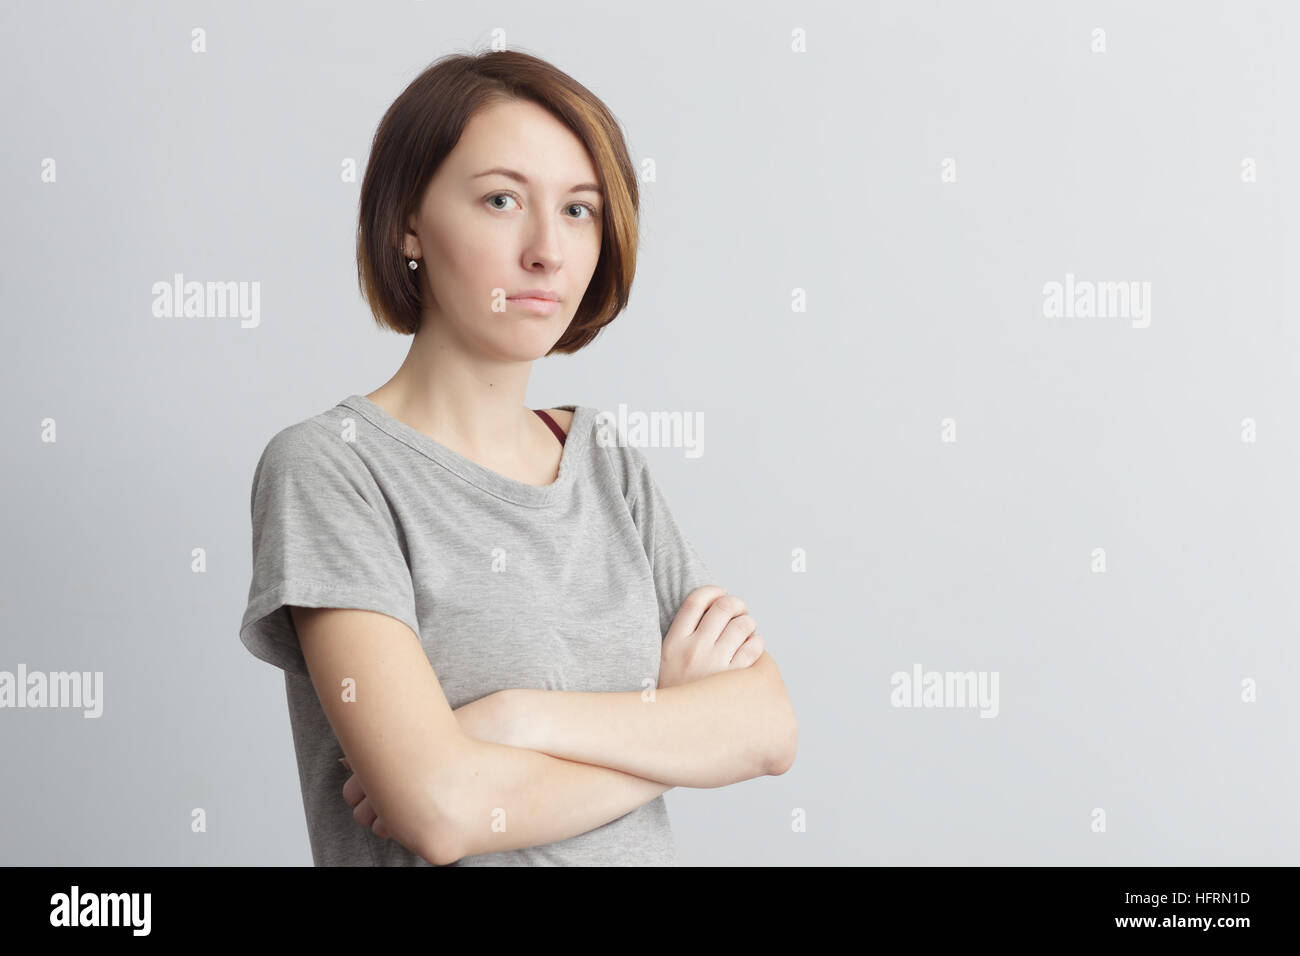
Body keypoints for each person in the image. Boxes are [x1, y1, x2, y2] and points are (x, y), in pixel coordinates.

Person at [238, 49, 797, 866]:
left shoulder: (606, 463)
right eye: (502, 200)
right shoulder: (332, 469)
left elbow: (767, 729)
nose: (548, 251)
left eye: (580, 210)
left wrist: (514, 721)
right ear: (407, 224)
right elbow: (441, 812)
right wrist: (669, 726)